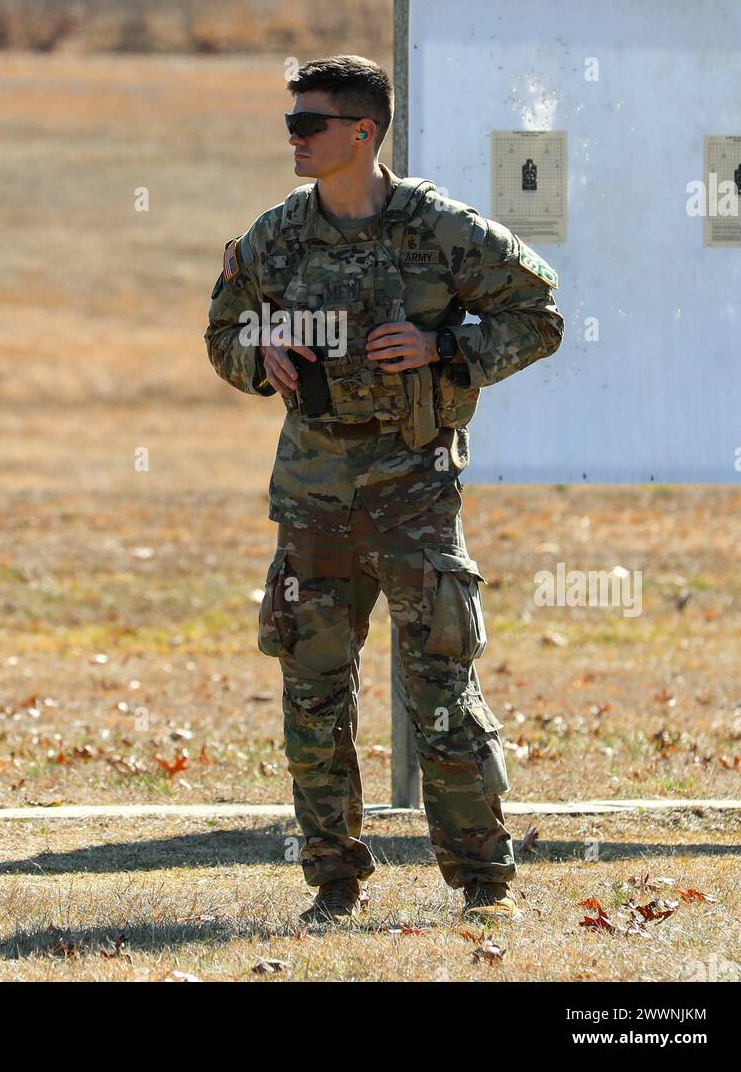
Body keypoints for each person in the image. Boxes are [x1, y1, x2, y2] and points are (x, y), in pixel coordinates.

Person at [204, 55, 564, 926]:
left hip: (413, 499)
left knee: (442, 691)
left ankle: (483, 880)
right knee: (312, 694)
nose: (293, 139)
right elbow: (222, 332)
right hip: (313, 503)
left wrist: (447, 349)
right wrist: (261, 357)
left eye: (309, 125)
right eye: (291, 124)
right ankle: (332, 879)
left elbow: (539, 314)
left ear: (362, 135)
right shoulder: (274, 238)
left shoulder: (438, 229)